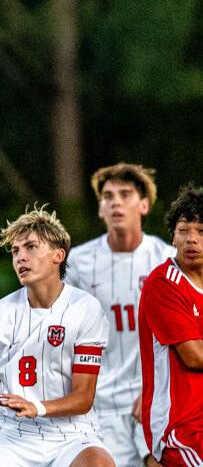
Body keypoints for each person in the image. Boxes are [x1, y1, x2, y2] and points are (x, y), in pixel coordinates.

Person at [0, 207, 115, 467]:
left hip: (72, 433)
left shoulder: (85, 308)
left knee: (99, 464)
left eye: (31, 247)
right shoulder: (0, 312)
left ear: (58, 255)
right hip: (13, 434)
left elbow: (83, 398)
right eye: (15, 251)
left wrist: (37, 407)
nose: (21, 257)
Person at [64, 164, 175, 467]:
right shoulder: (78, 263)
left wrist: (158, 388)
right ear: (100, 209)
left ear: (144, 205)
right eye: (108, 196)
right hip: (100, 404)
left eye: (125, 194)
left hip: (157, 397)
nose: (116, 202)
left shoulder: (167, 261)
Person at [138, 185, 203, 466]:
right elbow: (195, 356)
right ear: (173, 237)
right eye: (183, 230)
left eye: (201, 231)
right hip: (181, 428)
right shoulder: (164, 283)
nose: (192, 239)